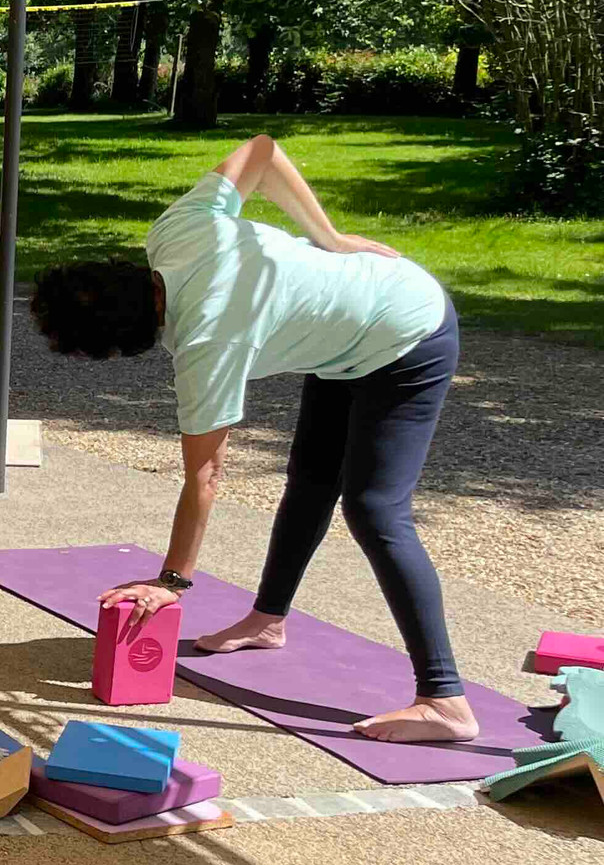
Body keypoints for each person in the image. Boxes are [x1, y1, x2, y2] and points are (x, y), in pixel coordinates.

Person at [33, 134, 470, 744]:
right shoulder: (176, 231)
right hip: (346, 344)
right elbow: (262, 150)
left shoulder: (208, 339)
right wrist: (331, 238)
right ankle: (268, 620)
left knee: (375, 509)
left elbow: (205, 478)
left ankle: (445, 700)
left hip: (409, 334)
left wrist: (171, 583)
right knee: (311, 482)